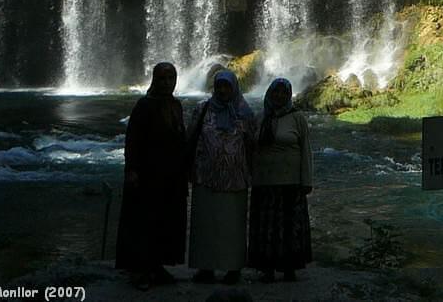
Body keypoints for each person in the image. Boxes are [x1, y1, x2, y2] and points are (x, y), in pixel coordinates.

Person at [115, 62, 188, 290]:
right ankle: (140, 270)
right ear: (155, 80)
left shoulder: (176, 105)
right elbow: (132, 140)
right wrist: (132, 170)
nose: (167, 83)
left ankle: (157, 266)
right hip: (148, 175)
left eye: (170, 78)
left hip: (171, 176)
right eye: (162, 79)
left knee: (166, 221)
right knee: (144, 222)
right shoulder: (144, 105)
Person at [188, 69, 256, 285]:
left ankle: (233, 269)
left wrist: (252, 172)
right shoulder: (202, 109)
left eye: (227, 86)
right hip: (205, 176)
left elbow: (253, 144)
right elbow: (190, 138)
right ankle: (205, 268)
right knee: (205, 223)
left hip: (235, 179)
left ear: (234, 87)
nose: (223, 90)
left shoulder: (245, 112)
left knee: (232, 226)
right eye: (219, 86)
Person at [249, 78, 314, 282]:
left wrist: (307, 180)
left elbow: (306, 150)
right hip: (265, 181)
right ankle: (267, 268)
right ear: (269, 93)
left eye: (283, 93)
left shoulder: (297, 118)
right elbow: (252, 147)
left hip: (290, 182)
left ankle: (289, 267)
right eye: (275, 92)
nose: (279, 96)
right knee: (266, 226)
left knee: (289, 225)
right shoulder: (261, 117)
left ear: (289, 95)